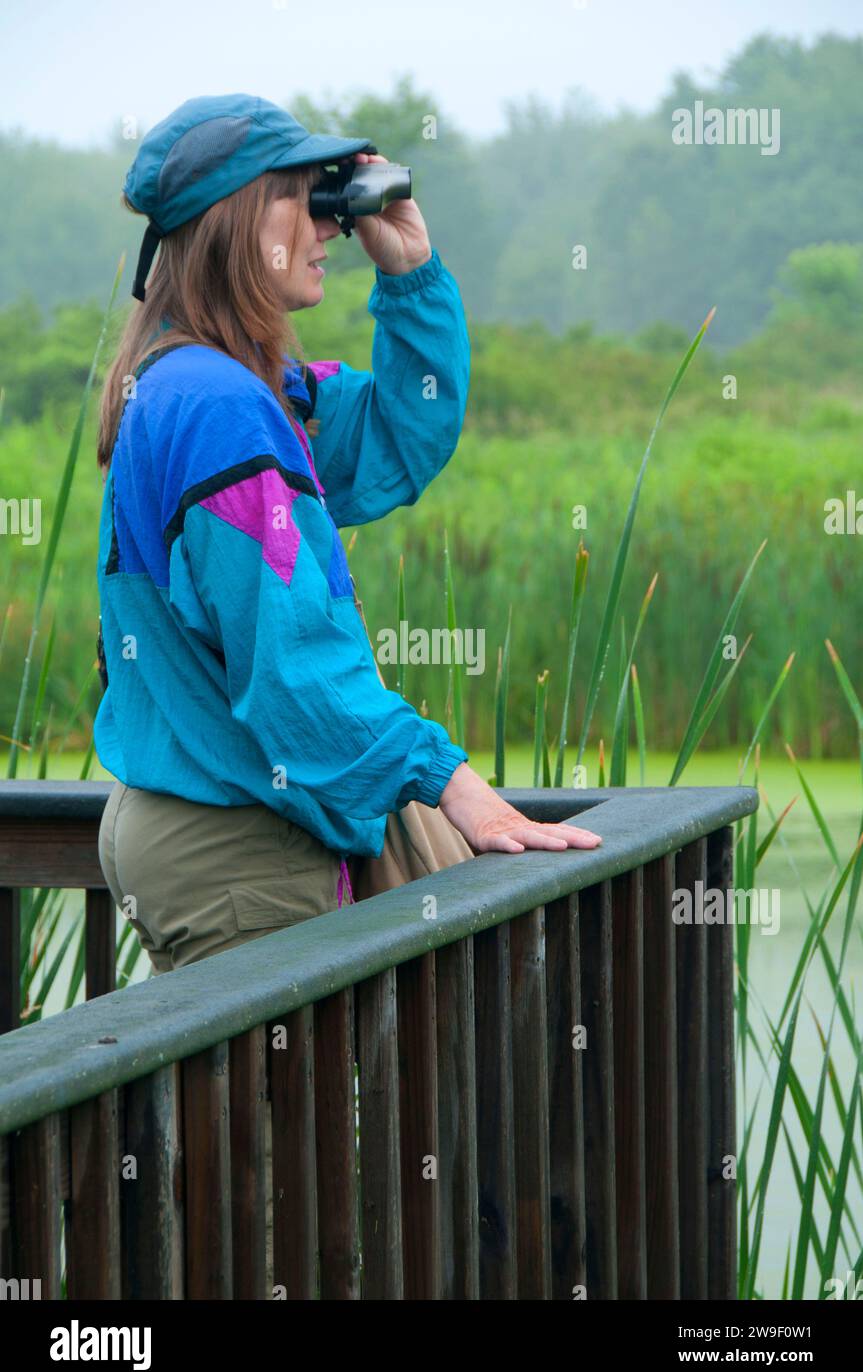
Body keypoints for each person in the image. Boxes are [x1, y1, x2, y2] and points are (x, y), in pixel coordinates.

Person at [94, 94, 601, 975]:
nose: (330, 224)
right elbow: (290, 670)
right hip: (237, 846)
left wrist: (409, 277)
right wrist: (452, 783)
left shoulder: (225, 385)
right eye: (301, 194)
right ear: (235, 221)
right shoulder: (218, 410)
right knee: (278, 1118)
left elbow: (404, 435)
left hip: (216, 818)